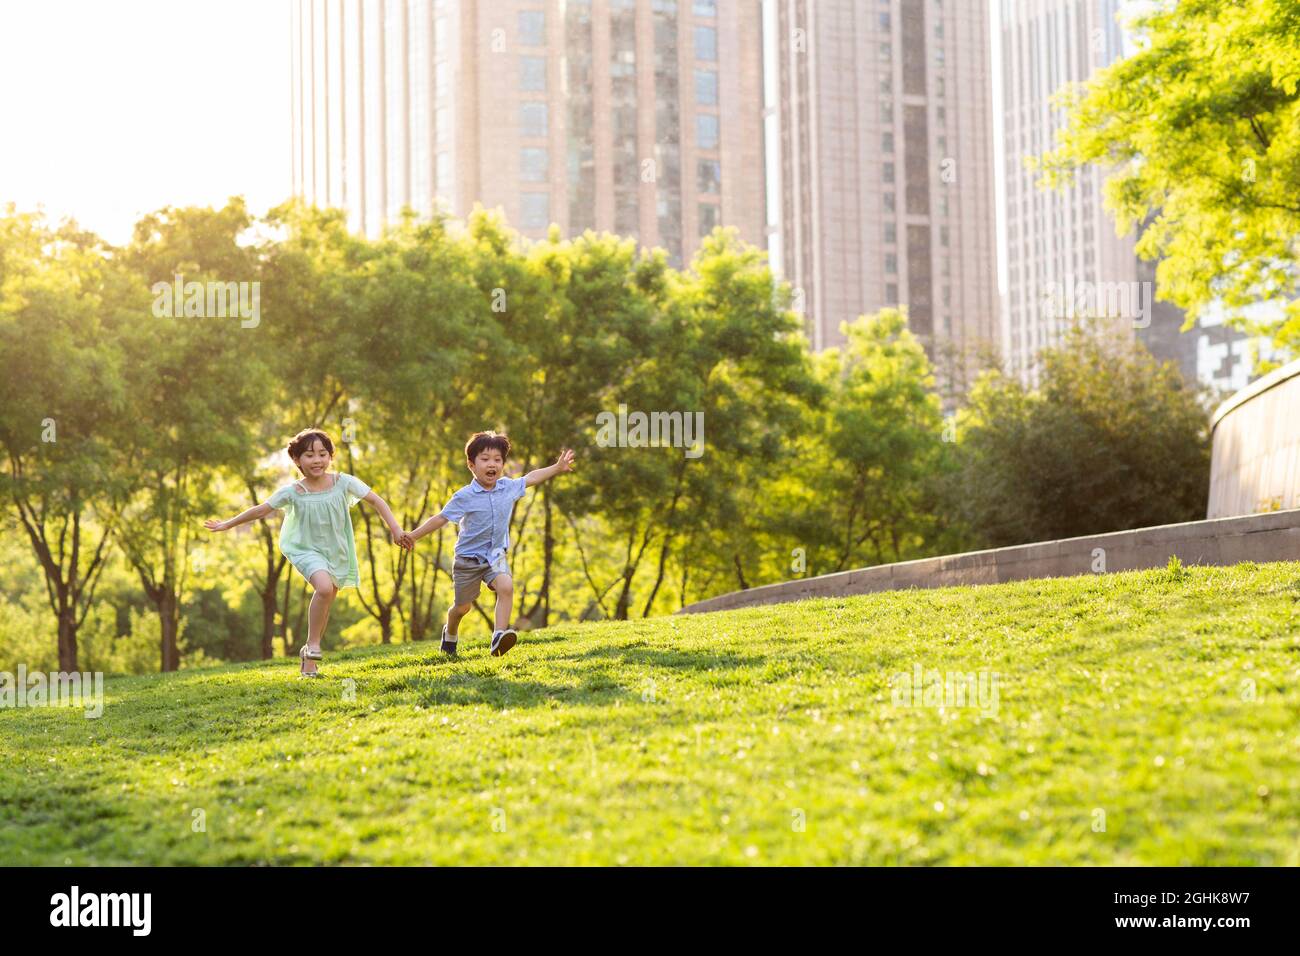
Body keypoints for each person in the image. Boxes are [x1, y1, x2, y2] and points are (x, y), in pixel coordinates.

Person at [204, 428, 409, 676]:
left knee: (325, 603)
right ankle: (313, 644)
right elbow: (261, 509)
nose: (317, 460)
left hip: (336, 550)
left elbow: (376, 501)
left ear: (330, 457)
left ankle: (308, 660)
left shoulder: (343, 482)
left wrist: (396, 530)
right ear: (297, 460)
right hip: (304, 548)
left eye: (323, 454)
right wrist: (228, 523)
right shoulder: (293, 492)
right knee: (323, 588)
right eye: (310, 455)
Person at [404, 431, 575, 657]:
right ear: (471, 464)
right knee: (463, 608)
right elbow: (441, 518)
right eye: (485, 459)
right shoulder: (464, 496)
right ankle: (450, 633)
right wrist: (414, 536)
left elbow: (531, 478)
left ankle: (498, 637)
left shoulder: (507, 488)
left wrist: (556, 467)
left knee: (506, 587)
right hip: (468, 559)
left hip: (495, 555)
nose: (491, 464)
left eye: (497, 459)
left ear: (503, 464)